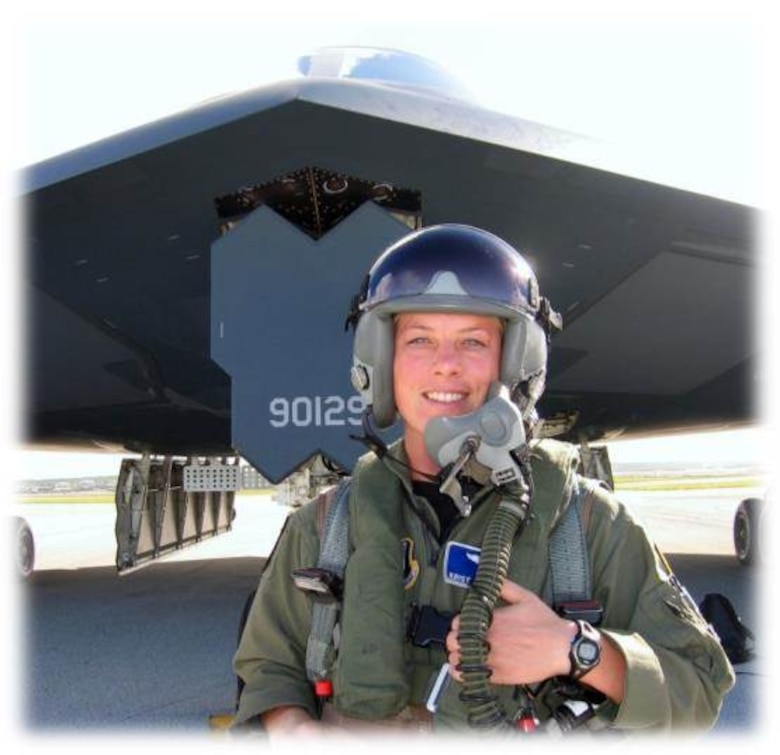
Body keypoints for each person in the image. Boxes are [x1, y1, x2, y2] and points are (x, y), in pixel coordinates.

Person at [232, 224, 734, 737]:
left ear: (517, 363)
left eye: (473, 341)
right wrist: (294, 729)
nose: (446, 365)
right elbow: (269, 670)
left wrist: (575, 649)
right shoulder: (326, 525)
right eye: (420, 340)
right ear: (381, 363)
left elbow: (701, 686)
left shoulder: (588, 526)